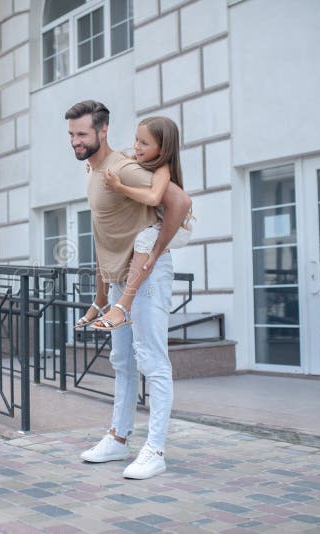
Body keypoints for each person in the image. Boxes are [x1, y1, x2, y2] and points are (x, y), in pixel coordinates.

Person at [66, 100, 191, 479]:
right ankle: (118, 438)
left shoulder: (122, 168)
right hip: (120, 278)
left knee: (152, 360)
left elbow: (179, 201)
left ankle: (155, 450)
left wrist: (156, 251)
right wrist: (101, 294)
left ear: (102, 130)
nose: (75, 141)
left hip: (147, 276)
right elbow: (104, 235)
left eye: (82, 134)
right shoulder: (94, 170)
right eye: (71, 134)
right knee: (122, 360)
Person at [90, 116, 193, 331]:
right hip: (160, 223)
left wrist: (119, 188)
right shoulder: (140, 164)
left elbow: (154, 198)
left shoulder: (162, 169)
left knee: (143, 238)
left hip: (176, 230)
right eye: (136, 139)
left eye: (144, 143)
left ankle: (122, 306)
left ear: (162, 149)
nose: (137, 146)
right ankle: (104, 302)